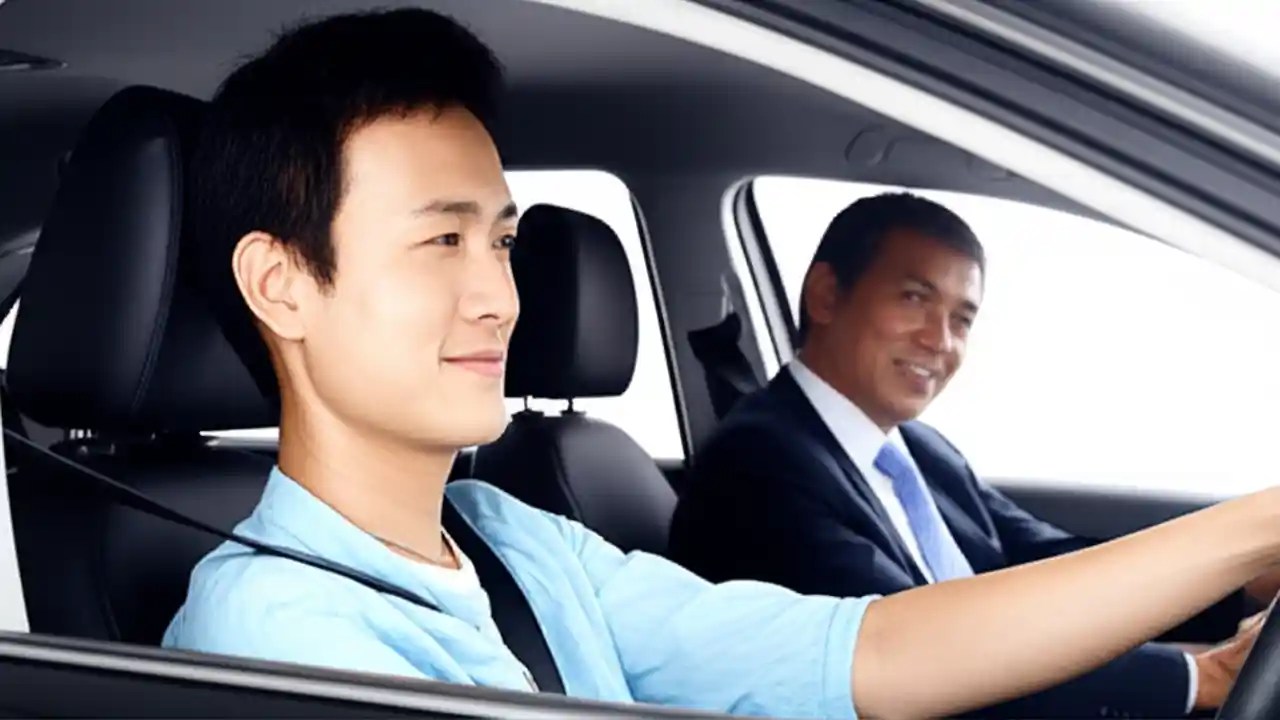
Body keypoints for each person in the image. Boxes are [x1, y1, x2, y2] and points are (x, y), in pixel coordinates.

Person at [162, 9, 1280, 720]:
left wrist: (1249, 528)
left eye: (500, 240)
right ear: (282, 285)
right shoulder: (277, 632)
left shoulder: (515, 541)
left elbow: (867, 651)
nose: (500, 293)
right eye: (439, 240)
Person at [668, 193, 1276, 717]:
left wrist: (1240, 579)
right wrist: (1203, 677)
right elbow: (926, 653)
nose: (940, 341)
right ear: (825, 295)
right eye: (913, 299)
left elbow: (1045, 560)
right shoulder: (757, 467)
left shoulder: (917, 452)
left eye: (961, 319)